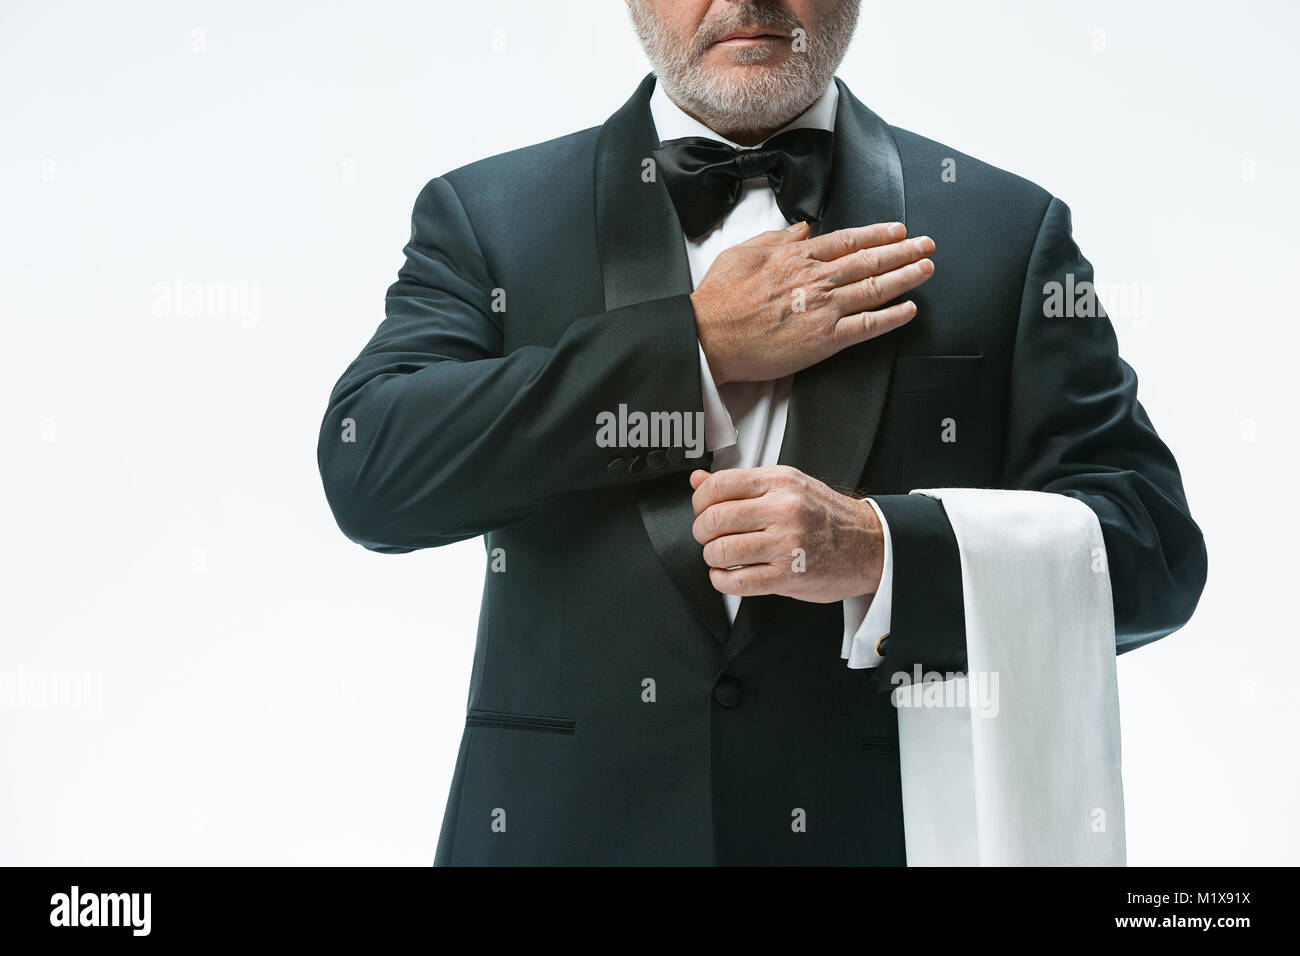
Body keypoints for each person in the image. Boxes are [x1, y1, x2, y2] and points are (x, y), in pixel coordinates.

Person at [317, 0, 1206, 865]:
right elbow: (373, 468)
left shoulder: (1008, 233)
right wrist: (693, 343)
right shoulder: (490, 219)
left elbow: (1151, 552)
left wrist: (880, 551)